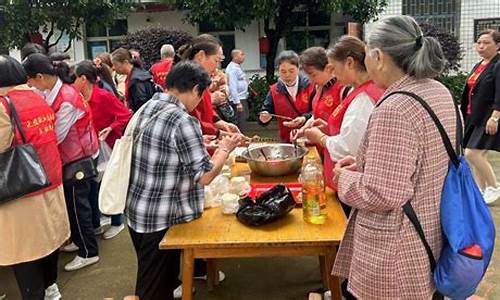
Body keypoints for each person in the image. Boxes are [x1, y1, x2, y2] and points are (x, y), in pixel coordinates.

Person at [332, 15, 455, 299]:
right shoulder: (438, 91)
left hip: (396, 254)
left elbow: (384, 193)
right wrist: (364, 167)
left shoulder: (395, 107)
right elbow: (421, 164)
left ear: (378, 57)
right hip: (432, 236)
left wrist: (345, 179)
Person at [125, 61, 241, 300]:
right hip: (161, 217)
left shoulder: (149, 106)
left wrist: (203, 145)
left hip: (138, 209)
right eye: (203, 94)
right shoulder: (183, 120)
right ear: (196, 89)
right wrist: (224, 149)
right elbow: (205, 176)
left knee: (157, 280)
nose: (201, 101)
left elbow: (163, 149)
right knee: (152, 290)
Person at [0, 55, 70, 300]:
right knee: (48, 241)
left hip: (20, 190)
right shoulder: (36, 98)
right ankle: (51, 288)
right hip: (49, 179)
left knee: (25, 250)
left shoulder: (3, 105)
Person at [23, 53, 101, 272]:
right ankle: (81, 240)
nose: (29, 85)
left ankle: (88, 252)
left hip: (77, 159)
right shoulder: (55, 91)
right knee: (78, 205)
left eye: (29, 80)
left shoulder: (66, 99)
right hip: (73, 157)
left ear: (40, 77)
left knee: (78, 207)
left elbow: (55, 135)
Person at [299, 37, 384, 191]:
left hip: (354, 182)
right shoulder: (359, 90)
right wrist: (327, 128)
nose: (334, 74)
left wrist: (321, 138)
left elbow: (349, 148)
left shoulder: (364, 98)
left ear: (349, 63)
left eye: (334, 68)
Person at [73, 60, 132, 239]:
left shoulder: (103, 96)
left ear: (83, 79)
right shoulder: (77, 97)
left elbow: (125, 114)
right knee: (94, 184)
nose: (72, 82)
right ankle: (98, 221)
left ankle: (117, 221)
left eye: (74, 78)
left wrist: (111, 127)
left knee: (111, 182)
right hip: (90, 147)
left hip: (107, 145)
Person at [460, 29, 500, 204]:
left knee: (472, 153)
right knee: (476, 156)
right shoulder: (479, 65)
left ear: (498, 45)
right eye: (479, 42)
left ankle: (494, 186)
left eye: (486, 43)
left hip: (487, 117)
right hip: (472, 116)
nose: (481, 46)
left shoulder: (498, 65)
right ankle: (481, 191)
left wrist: (495, 116)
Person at [177, 34, 241, 136]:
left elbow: (206, 110)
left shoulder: (200, 79)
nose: (217, 66)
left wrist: (220, 122)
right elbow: (194, 120)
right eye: (216, 60)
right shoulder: (187, 81)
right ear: (200, 56)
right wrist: (219, 133)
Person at [259, 50, 315, 142]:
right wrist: (264, 117)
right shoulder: (274, 90)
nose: (287, 75)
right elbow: (266, 112)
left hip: (309, 137)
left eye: (291, 71)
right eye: (283, 71)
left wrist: (304, 118)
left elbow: (317, 112)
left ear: (298, 68)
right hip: (287, 139)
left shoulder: (310, 85)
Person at [111, 48, 157, 112]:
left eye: (115, 64)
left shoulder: (135, 81)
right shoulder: (139, 73)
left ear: (125, 62)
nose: (113, 68)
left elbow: (141, 105)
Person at [225, 48, 249, 130]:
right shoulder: (232, 68)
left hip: (242, 97)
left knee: (243, 119)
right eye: (241, 54)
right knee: (240, 122)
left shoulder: (237, 67)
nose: (243, 56)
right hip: (238, 99)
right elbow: (232, 85)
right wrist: (237, 102)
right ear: (235, 57)